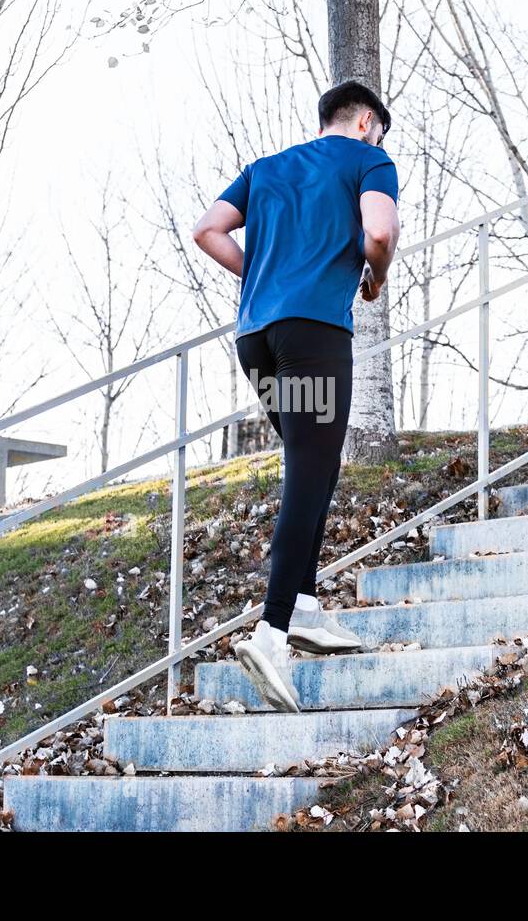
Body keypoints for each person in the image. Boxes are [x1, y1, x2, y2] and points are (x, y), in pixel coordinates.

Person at [191, 80, 401, 712]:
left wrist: (260, 271)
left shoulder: (266, 169)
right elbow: (381, 234)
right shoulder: (369, 160)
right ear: (366, 122)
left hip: (256, 337)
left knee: (316, 466)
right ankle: (272, 633)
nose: (379, 140)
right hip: (314, 333)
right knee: (308, 476)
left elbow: (208, 231)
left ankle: (305, 605)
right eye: (379, 131)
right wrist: (375, 275)